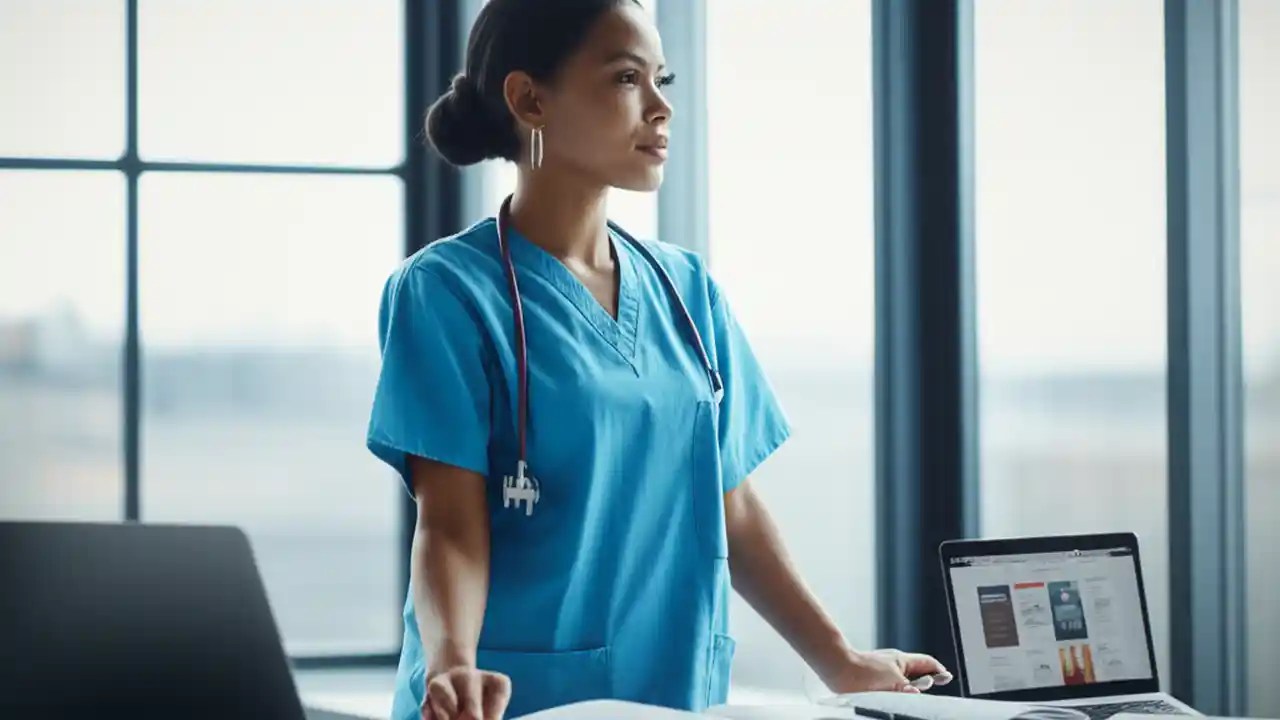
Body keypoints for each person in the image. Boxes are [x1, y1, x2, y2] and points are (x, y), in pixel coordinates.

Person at [366, 1, 951, 718]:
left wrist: (841, 660)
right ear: (529, 99)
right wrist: (452, 662)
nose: (661, 107)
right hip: (502, 702)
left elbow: (728, 503)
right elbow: (450, 523)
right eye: (625, 78)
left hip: (668, 695)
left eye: (662, 78)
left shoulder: (688, 290)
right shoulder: (446, 292)